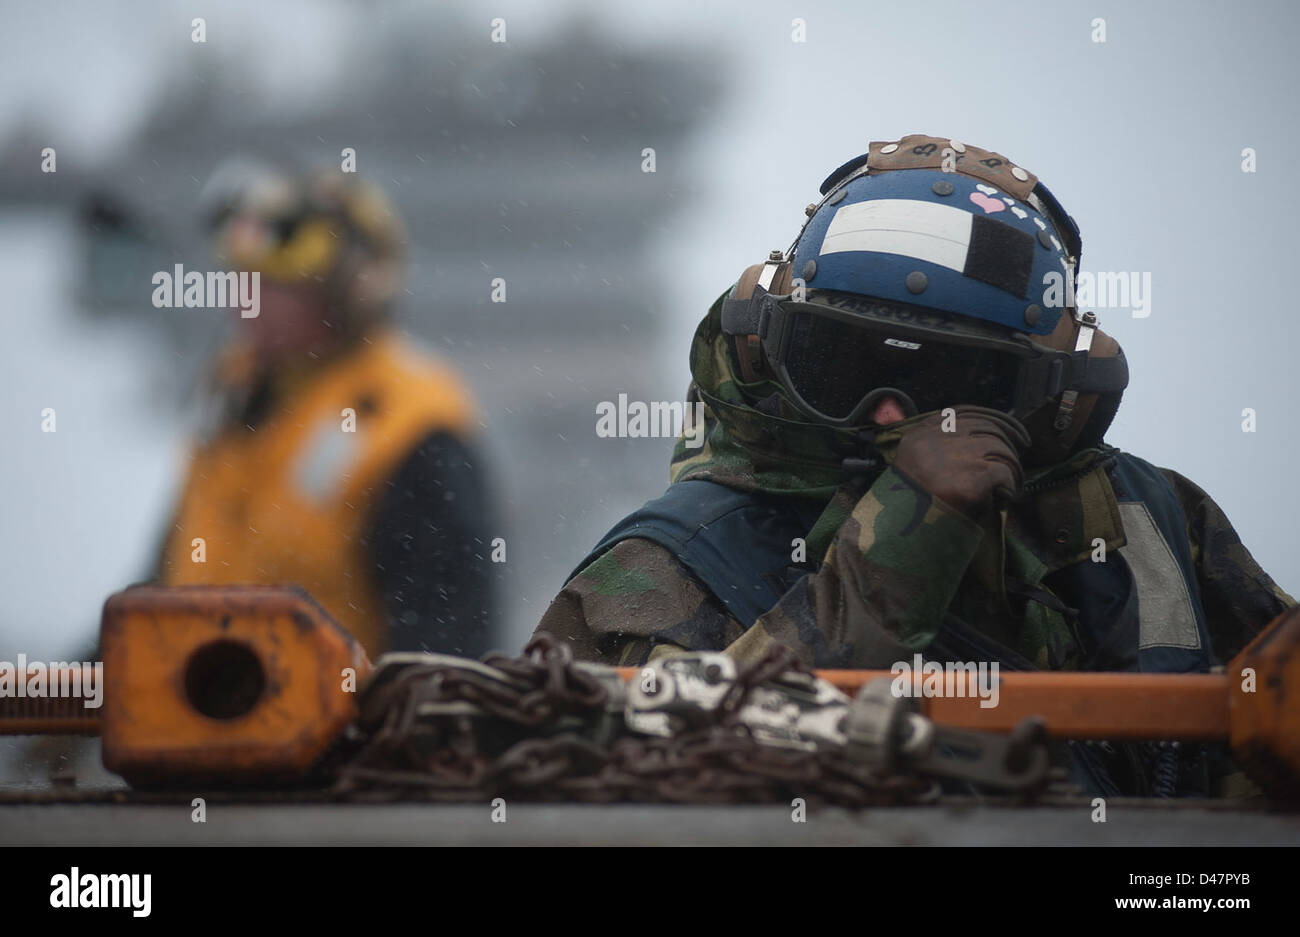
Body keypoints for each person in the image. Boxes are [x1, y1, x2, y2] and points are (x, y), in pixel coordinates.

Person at [533, 134, 1295, 796]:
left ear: (1052, 393)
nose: (892, 412)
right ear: (764, 342)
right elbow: (607, 780)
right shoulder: (675, 561)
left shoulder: (1152, 524)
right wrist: (898, 553)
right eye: (840, 361)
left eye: (954, 382)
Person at [157, 166, 495, 658]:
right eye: (242, 277)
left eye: (279, 283)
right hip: (190, 722)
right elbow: (165, 578)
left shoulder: (413, 423)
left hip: (340, 731)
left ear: (353, 287)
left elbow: (444, 651)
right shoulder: (231, 393)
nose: (247, 301)